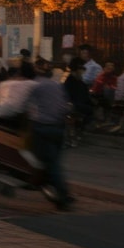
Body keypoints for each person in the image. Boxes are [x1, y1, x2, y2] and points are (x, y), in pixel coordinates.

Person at [28, 60, 74, 209]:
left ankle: (62, 196)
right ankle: (59, 191)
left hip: (42, 127)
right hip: (58, 128)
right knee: (55, 162)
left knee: (47, 162)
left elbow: (27, 107)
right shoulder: (57, 86)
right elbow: (65, 106)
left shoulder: (35, 86)